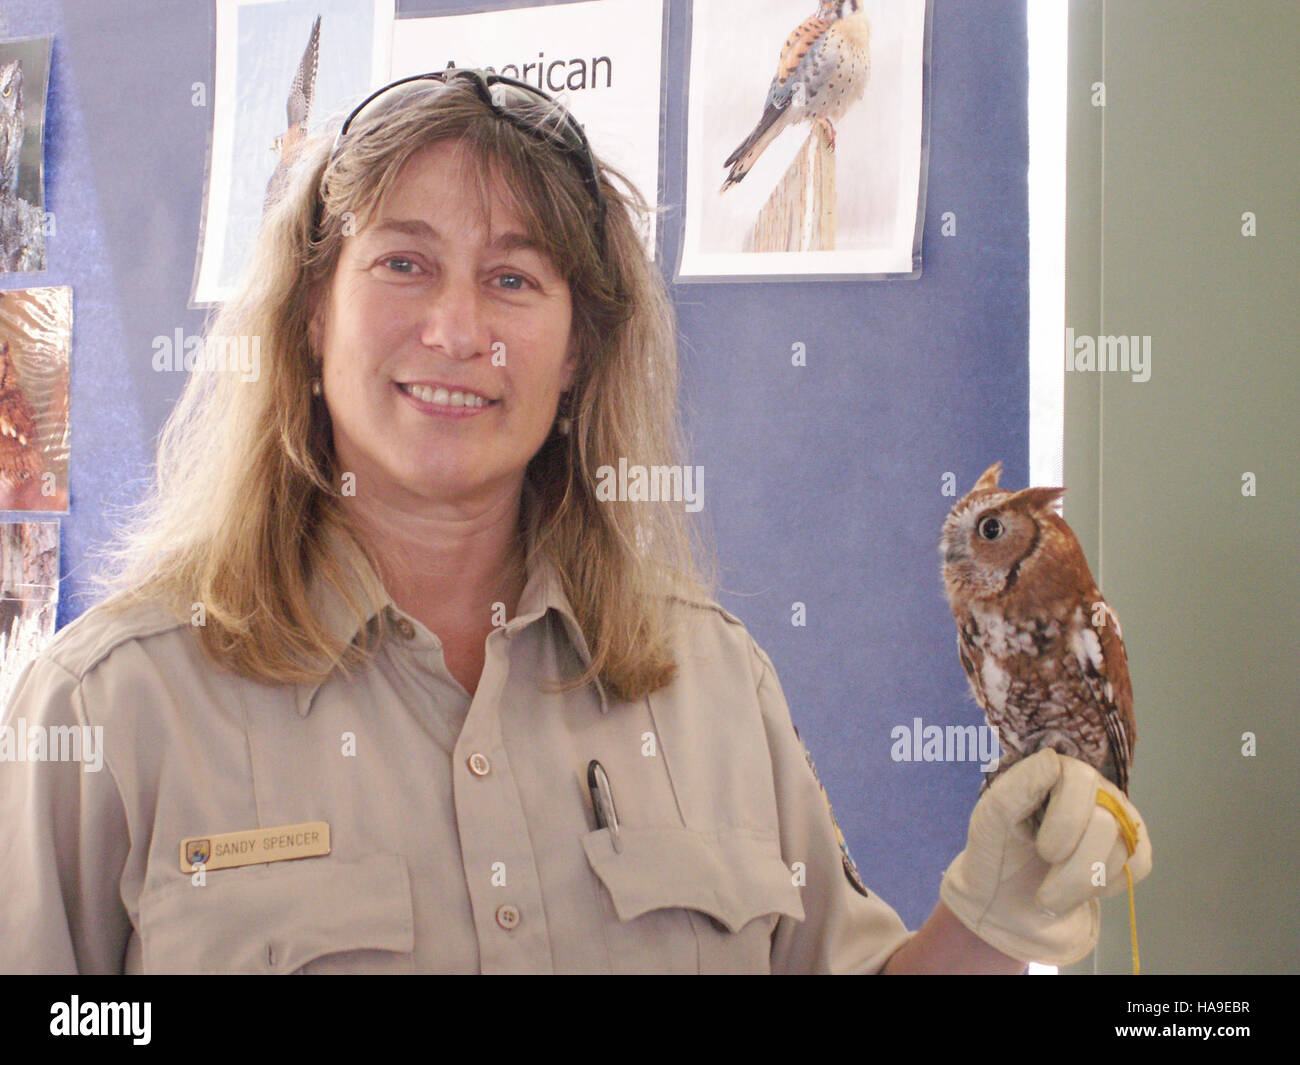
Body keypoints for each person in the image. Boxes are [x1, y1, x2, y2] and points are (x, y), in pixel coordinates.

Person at [0, 70, 1149, 974]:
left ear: (576, 353)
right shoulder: (107, 707)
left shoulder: (712, 683)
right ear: (312, 315)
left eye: (514, 280)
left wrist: (991, 919)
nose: (457, 331)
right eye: (404, 263)